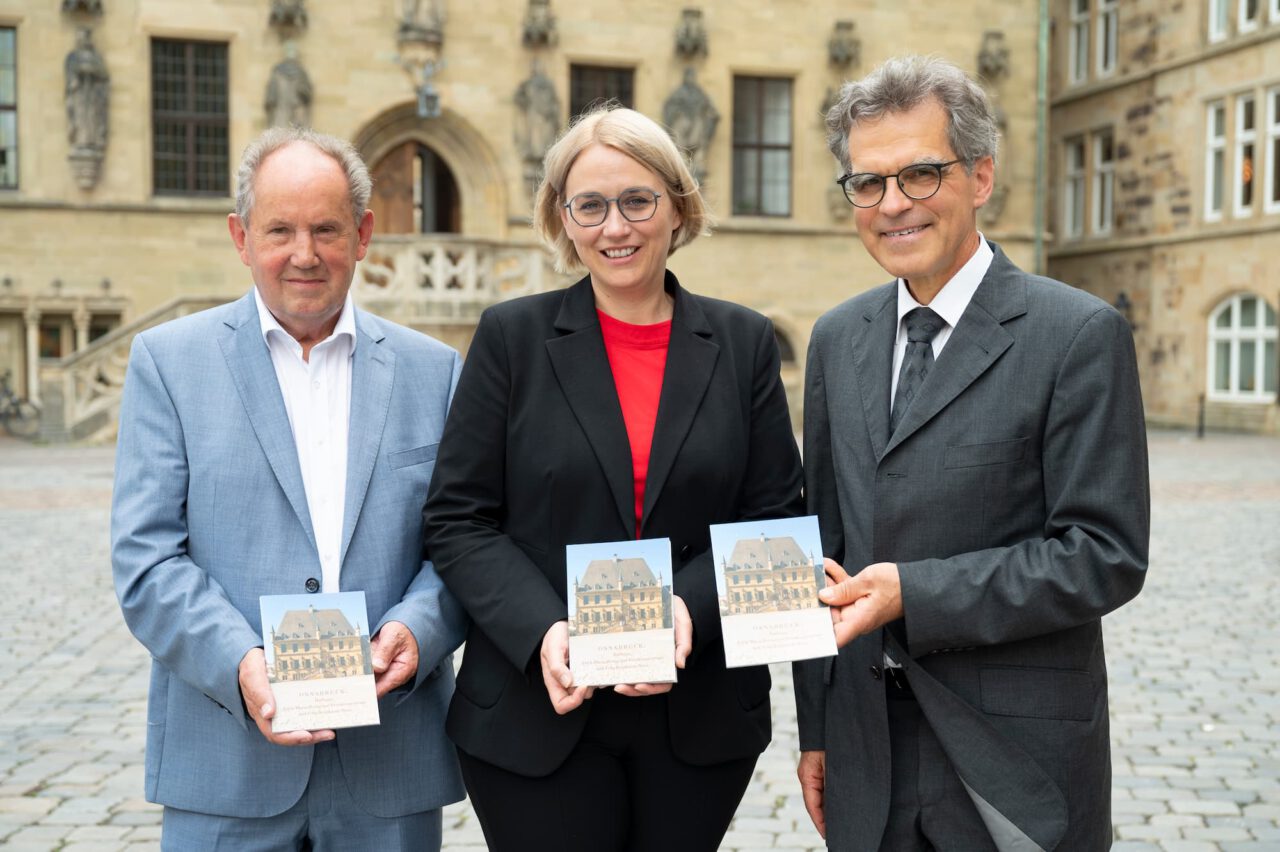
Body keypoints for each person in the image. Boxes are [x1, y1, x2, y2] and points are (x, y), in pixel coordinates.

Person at [422, 106, 804, 852]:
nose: (614, 226)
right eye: (589, 206)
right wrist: (545, 632)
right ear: (563, 220)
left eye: (637, 200)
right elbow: (458, 519)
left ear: (677, 207)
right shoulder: (510, 337)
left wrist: (687, 609)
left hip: (697, 711)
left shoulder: (745, 341)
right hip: (538, 706)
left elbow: (777, 522)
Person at [794, 56, 1149, 852]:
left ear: (981, 176)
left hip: (1013, 762)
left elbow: (1104, 556)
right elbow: (822, 547)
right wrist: (817, 727)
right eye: (868, 183)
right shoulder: (836, 339)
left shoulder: (1077, 335)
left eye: (920, 175)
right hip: (868, 754)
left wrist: (913, 594)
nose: (892, 204)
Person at [111, 127, 467, 851]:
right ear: (241, 237)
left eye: (326, 229)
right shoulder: (168, 364)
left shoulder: (435, 372)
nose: (304, 254)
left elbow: (465, 541)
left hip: (389, 758)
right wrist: (242, 664)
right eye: (280, 230)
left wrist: (418, 630)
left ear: (363, 235)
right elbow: (146, 560)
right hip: (227, 761)